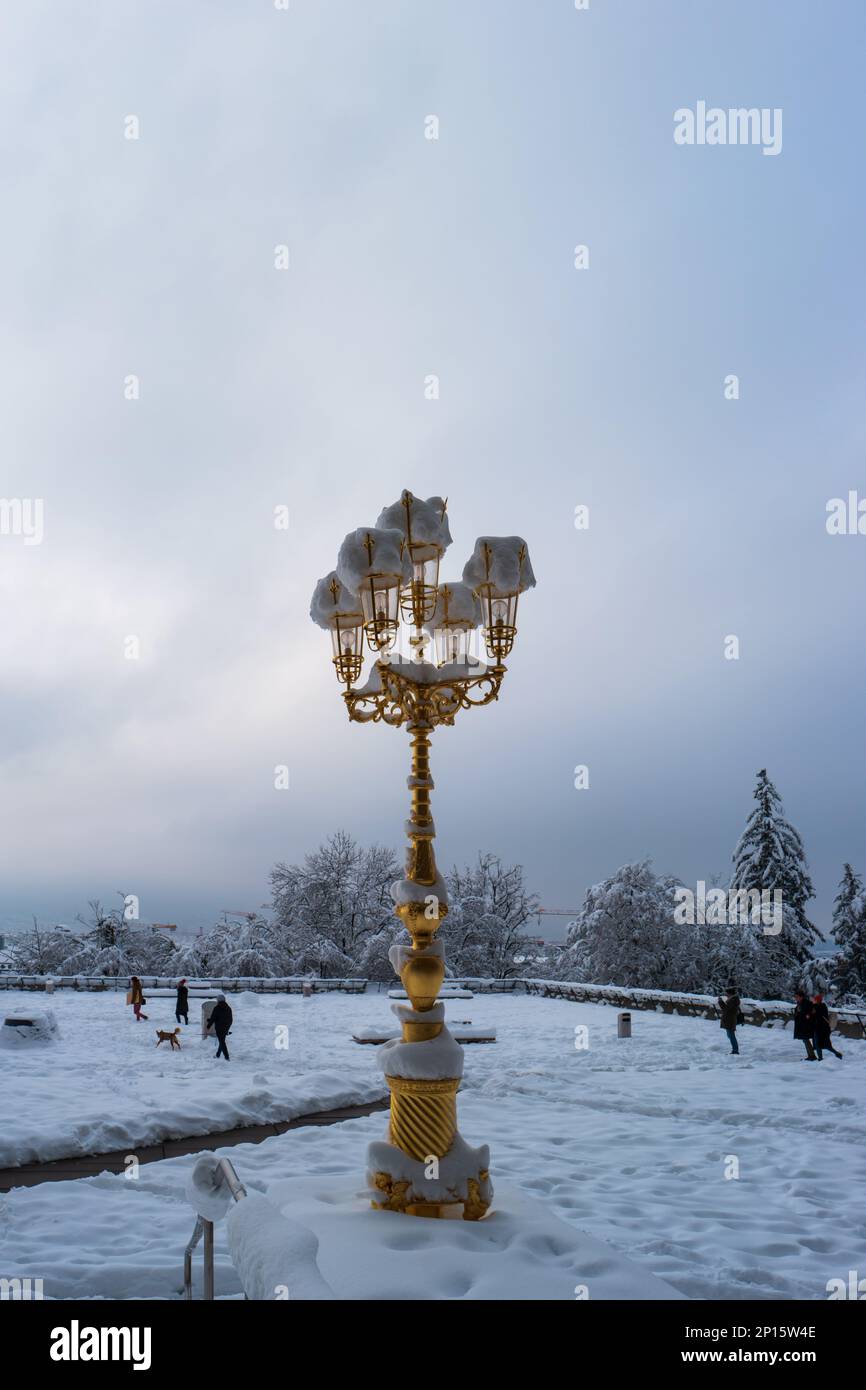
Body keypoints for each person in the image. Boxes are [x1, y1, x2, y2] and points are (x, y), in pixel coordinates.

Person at [811, 993, 843, 1061]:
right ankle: (835, 1054)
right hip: (820, 1028)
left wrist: (814, 1012)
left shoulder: (820, 1007)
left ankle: (822, 1058)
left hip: (820, 1029)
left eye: (815, 1000)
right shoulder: (818, 1006)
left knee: (820, 1044)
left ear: (818, 1000)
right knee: (823, 1044)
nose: (814, 1001)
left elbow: (818, 1016)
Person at [717, 984, 741, 1055]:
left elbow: (725, 1009)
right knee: (729, 1035)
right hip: (729, 1020)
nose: (726, 995)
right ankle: (735, 1049)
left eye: (727, 994)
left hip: (730, 1020)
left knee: (731, 1035)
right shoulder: (732, 1000)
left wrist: (720, 1001)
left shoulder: (733, 1000)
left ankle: (735, 1050)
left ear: (730, 994)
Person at [793, 990, 816, 1060]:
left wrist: (805, 1015)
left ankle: (812, 1056)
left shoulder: (807, 1003)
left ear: (801, 997)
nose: (795, 998)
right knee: (805, 1040)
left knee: (805, 1039)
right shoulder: (799, 1003)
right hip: (802, 1025)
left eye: (797, 997)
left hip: (806, 1025)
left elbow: (809, 1013)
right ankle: (810, 1055)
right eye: (795, 997)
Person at [209, 993, 233, 1061]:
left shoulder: (217, 1008)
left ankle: (227, 1057)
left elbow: (213, 1017)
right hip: (226, 1027)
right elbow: (230, 1019)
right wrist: (228, 1027)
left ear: (218, 1000)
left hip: (219, 1028)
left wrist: (208, 1025)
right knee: (222, 1041)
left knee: (222, 1042)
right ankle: (218, 1055)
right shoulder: (228, 1008)